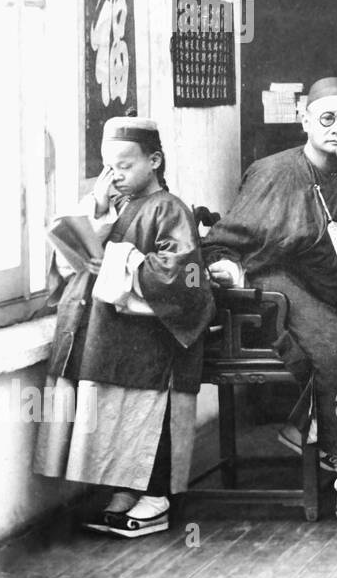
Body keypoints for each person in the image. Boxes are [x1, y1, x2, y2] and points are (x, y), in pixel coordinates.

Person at [202, 77, 337, 523]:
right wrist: (226, 266)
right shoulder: (275, 171)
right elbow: (224, 242)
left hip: (335, 283)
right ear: (305, 119)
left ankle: (329, 436)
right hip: (277, 280)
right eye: (326, 118)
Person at [35, 117, 215, 538]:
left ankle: (156, 497)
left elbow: (184, 275)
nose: (114, 175)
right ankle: (123, 489)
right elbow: (71, 259)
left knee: (145, 418)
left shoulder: (169, 208)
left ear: (154, 161)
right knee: (113, 418)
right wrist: (95, 216)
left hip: (146, 340)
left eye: (124, 165)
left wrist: (124, 261)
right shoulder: (109, 206)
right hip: (104, 332)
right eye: (107, 166)